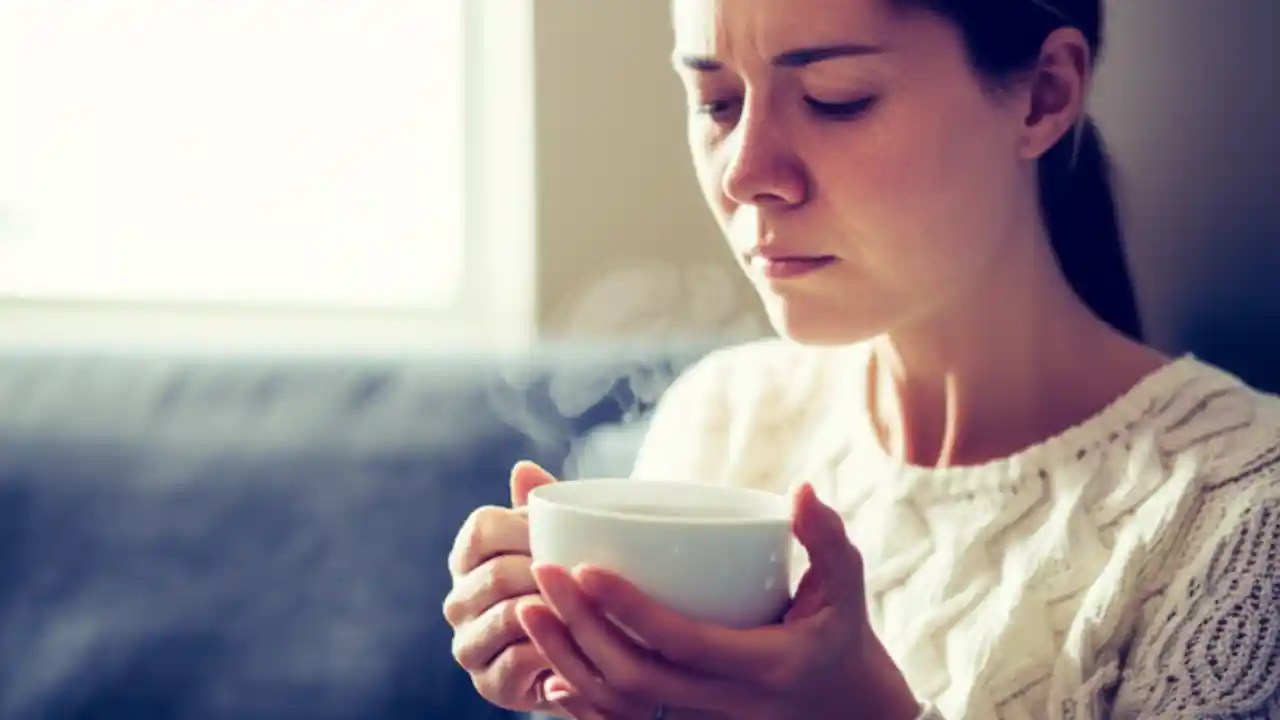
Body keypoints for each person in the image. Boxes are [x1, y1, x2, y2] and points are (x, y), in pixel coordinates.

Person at [444, 0, 1280, 717]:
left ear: (1043, 94)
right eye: (718, 101)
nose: (746, 176)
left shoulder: (1241, 512)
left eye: (834, 99)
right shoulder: (724, 418)